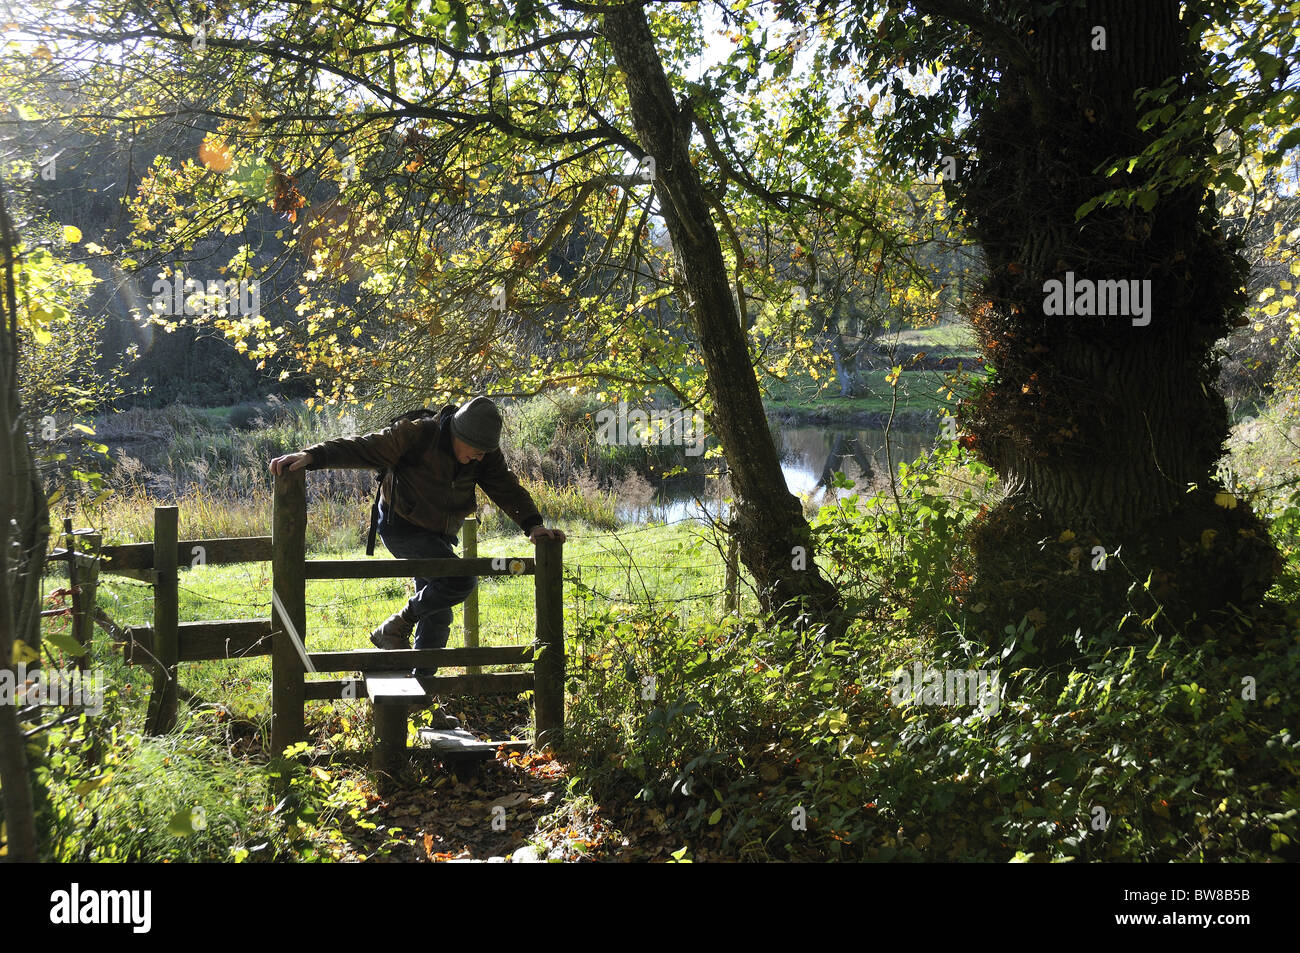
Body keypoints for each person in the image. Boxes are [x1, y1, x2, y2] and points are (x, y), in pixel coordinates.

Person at [268, 397, 565, 669]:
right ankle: (397, 625)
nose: (478, 459)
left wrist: (533, 525)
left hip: (439, 535)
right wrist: (312, 456)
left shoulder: (484, 453)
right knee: (459, 579)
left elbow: (506, 487)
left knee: (438, 612)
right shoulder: (416, 435)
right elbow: (364, 447)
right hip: (401, 528)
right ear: (458, 435)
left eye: (483, 454)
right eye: (474, 452)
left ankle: (420, 695)